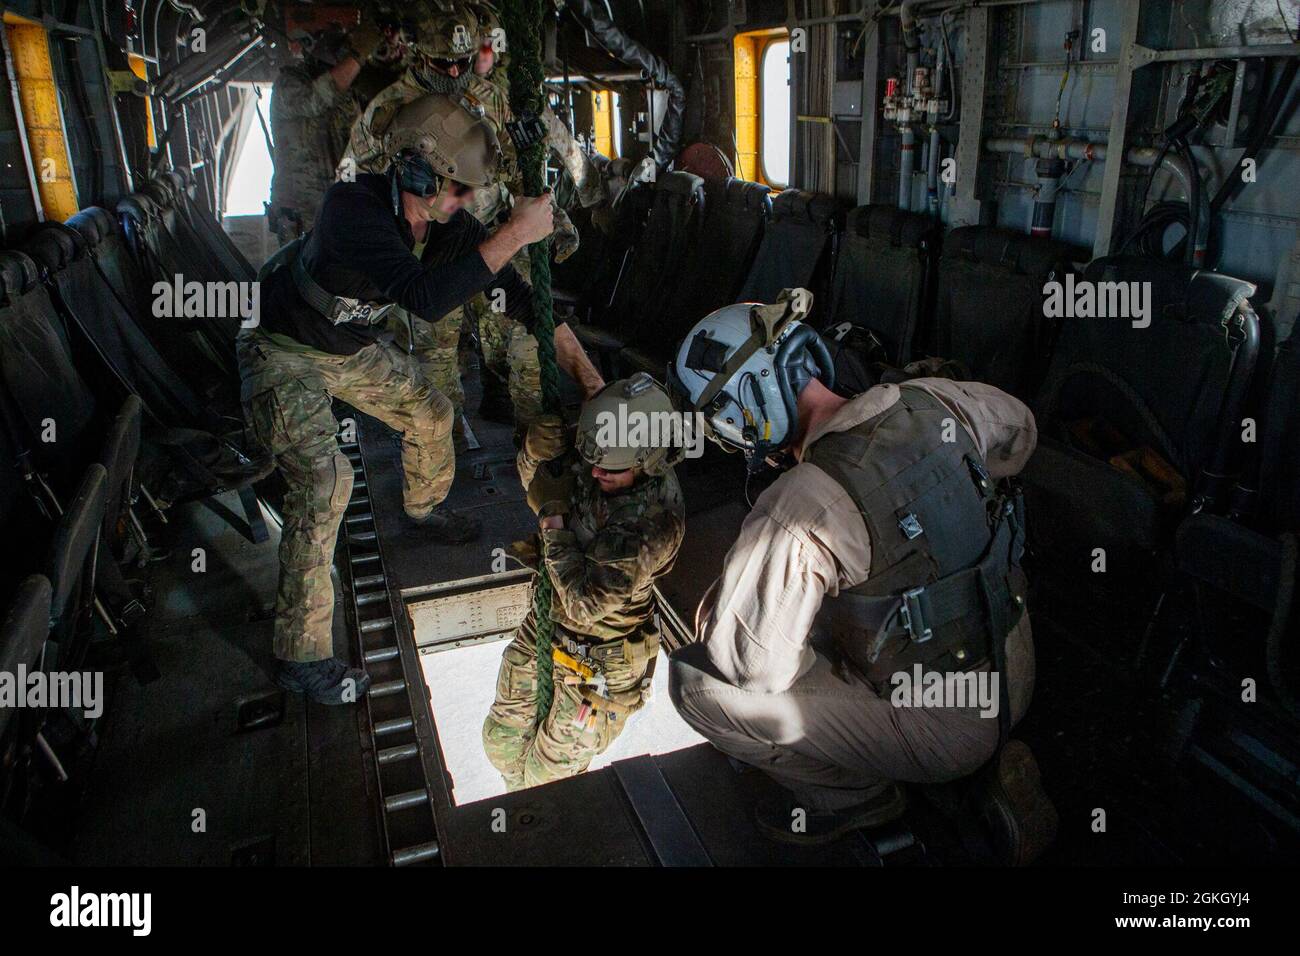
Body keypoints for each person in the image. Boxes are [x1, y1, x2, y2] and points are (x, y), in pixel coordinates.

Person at [239, 91, 603, 705]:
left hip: (347, 350)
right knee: (325, 484)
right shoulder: (350, 210)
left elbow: (519, 298)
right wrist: (516, 231)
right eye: (459, 190)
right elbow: (425, 297)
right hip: (283, 351)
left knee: (431, 412)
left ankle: (422, 508)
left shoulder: (446, 228)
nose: (465, 204)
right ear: (416, 173)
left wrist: (589, 379)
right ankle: (300, 658)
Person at [666, 295, 1057, 863]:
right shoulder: (937, 400)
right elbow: (1020, 431)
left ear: (745, 410)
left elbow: (748, 669)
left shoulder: (801, 505)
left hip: (947, 730)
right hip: (1017, 662)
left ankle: (857, 796)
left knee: (697, 686)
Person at [343, 1, 604, 434]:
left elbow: (520, 169)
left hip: (496, 236)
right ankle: (446, 456)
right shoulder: (386, 112)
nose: (453, 74)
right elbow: (354, 186)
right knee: (438, 365)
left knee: (520, 344)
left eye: (462, 63)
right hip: (429, 254)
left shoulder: (488, 99)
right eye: (442, 64)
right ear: (418, 55)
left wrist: (552, 219)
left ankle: (531, 446)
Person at [482, 374, 686, 790]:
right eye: (592, 462)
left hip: (601, 663)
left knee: (543, 782)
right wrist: (531, 453)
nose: (594, 473)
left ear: (648, 460)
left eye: (609, 470)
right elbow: (542, 482)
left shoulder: (654, 522)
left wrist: (553, 524)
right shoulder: (607, 449)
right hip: (550, 624)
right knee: (500, 745)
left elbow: (584, 604)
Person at [268, 19, 384, 241]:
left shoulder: (347, 98)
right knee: (306, 272)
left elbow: (352, 149)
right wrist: (358, 55)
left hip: (338, 208)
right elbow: (316, 99)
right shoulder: (288, 84)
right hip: (303, 213)